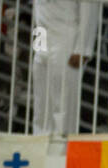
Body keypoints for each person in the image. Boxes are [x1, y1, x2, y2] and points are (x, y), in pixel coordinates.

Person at [29, 0, 98, 135]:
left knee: (64, 102)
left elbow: (90, 8)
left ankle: (62, 149)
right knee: (40, 102)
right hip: (43, 34)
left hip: (66, 36)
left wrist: (83, 48)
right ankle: (40, 143)